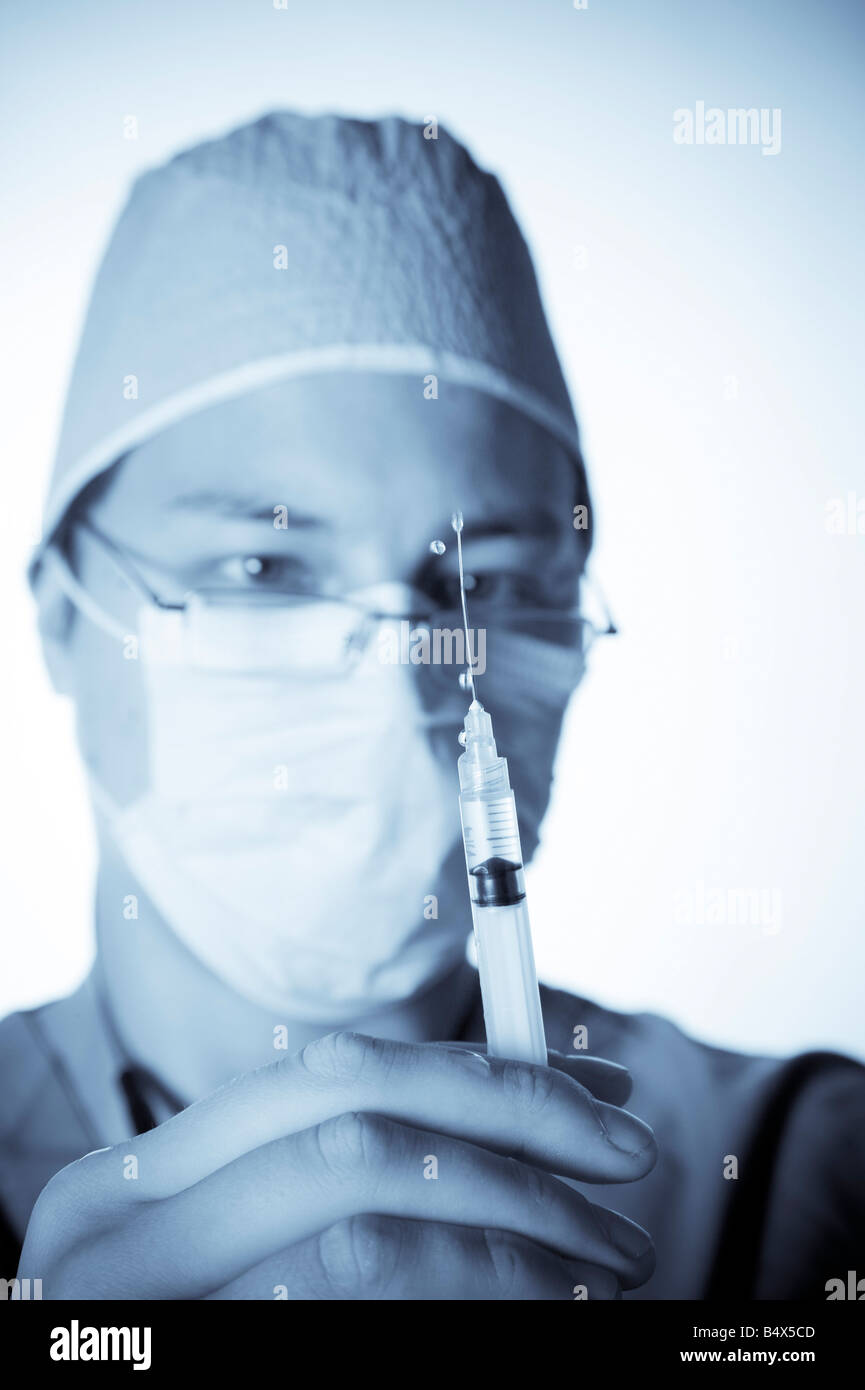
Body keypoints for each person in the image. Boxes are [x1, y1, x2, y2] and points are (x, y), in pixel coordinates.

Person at [2, 112, 862, 1301]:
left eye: (489, 583)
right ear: (60, 614)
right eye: (264, 569)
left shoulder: (797, 1180)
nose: (404, 684)